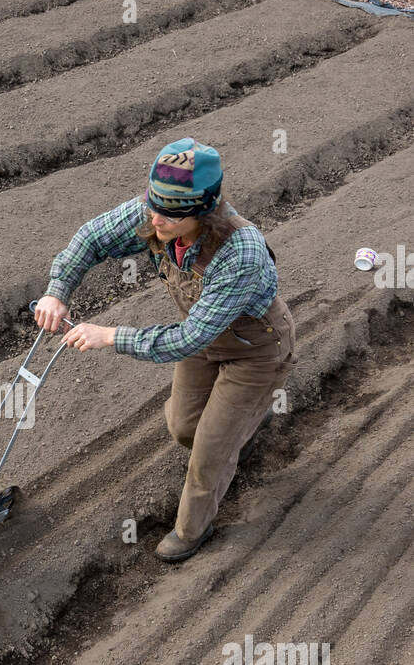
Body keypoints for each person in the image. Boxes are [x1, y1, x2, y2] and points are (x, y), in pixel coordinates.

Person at [33, 139, 297, 562]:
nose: (153, 217)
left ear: (202, 210)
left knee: (209, 452)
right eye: (152, 204)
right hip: (205, 334)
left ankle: (192, 531)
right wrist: (57, 291)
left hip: (254, 349)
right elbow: (92, 237)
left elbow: (187, 338)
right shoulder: (157, 211)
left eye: (168, 213)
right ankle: (248, 425)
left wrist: (111, 335)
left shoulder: (238, 252)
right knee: (182, 428)